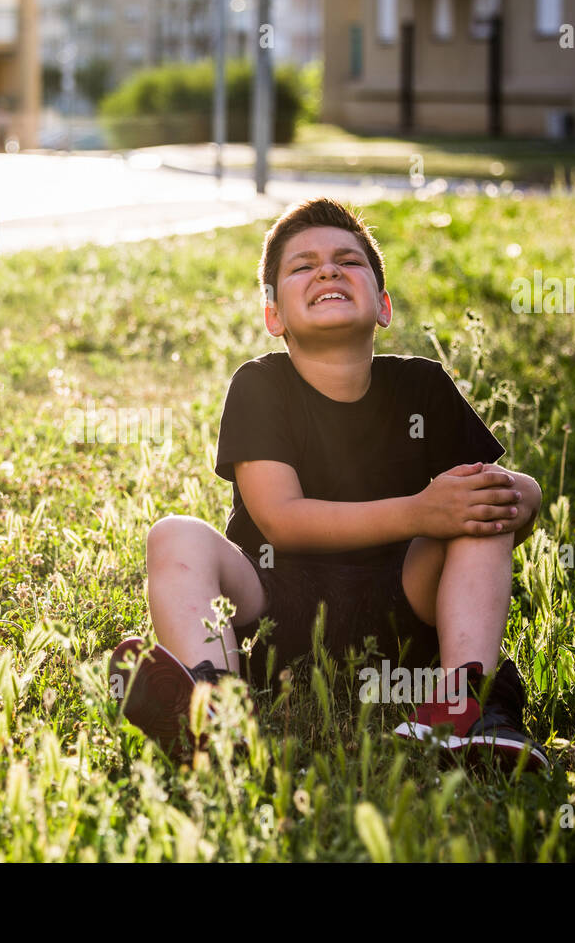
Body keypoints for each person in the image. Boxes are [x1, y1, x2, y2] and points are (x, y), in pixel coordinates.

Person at [109, 196, 550, 772]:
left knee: (480, 510)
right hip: (276, 612)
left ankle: (461, 704)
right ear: (275, 318)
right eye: (302, 266)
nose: (328, 270)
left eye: (348, 260)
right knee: (175, 534)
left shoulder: (421, 385)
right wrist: (421, 512)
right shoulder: (261, 386)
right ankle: (212, 706)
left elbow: (499, 495)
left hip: (406, 615)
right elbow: (282, 519)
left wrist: (517, 495)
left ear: (384, 306)